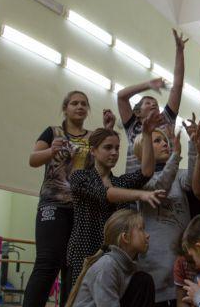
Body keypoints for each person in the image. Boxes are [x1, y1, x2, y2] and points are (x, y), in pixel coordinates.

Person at [16, 91, 113, 307]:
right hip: (53, 205)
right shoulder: (53, 131)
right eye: (75, 103)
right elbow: (33, 159)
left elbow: (103, 165)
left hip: (81, 209)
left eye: (84, 104)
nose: (80, 107)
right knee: (47, 265)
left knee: (74, 271)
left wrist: (108, 131)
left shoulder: (92, 137)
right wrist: (51, 150)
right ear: (65, 108)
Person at [63, 209, 188, 307]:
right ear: (125, 238)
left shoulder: (130, 266)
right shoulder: (107, 267)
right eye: (142, 229)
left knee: (144, 281)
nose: (147, 235)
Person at [67, 117, 165, 288]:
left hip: (115, 257)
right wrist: (140, 195)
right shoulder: (79, 177)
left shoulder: (121, 182)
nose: (114, 152)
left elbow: (146, 172)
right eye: (108, 147)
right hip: (84, 255)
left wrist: (147, 135)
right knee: (80, 306)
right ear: (93, 151)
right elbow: (105, 194)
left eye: (117, 148)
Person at [135, 118, 200, 307]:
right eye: (156, 141)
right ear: (143, 151)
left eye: (165, 140)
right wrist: (176, 154)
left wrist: (192, 145)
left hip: (179, 260)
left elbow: (191, 182)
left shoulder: (178, 173)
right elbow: (161, 188)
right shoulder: (141, 180)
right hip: (154, 262)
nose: (164, 143)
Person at [117, 29, 187, 179]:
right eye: (147, 103)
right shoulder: (133, 127)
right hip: (136, 183)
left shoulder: (165, 120)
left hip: (163, 180)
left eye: (155, 103)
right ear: (137, 112)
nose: (153, 104)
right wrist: (148, 84)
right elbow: (121, 97)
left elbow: (178, 86)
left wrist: (179, 51)